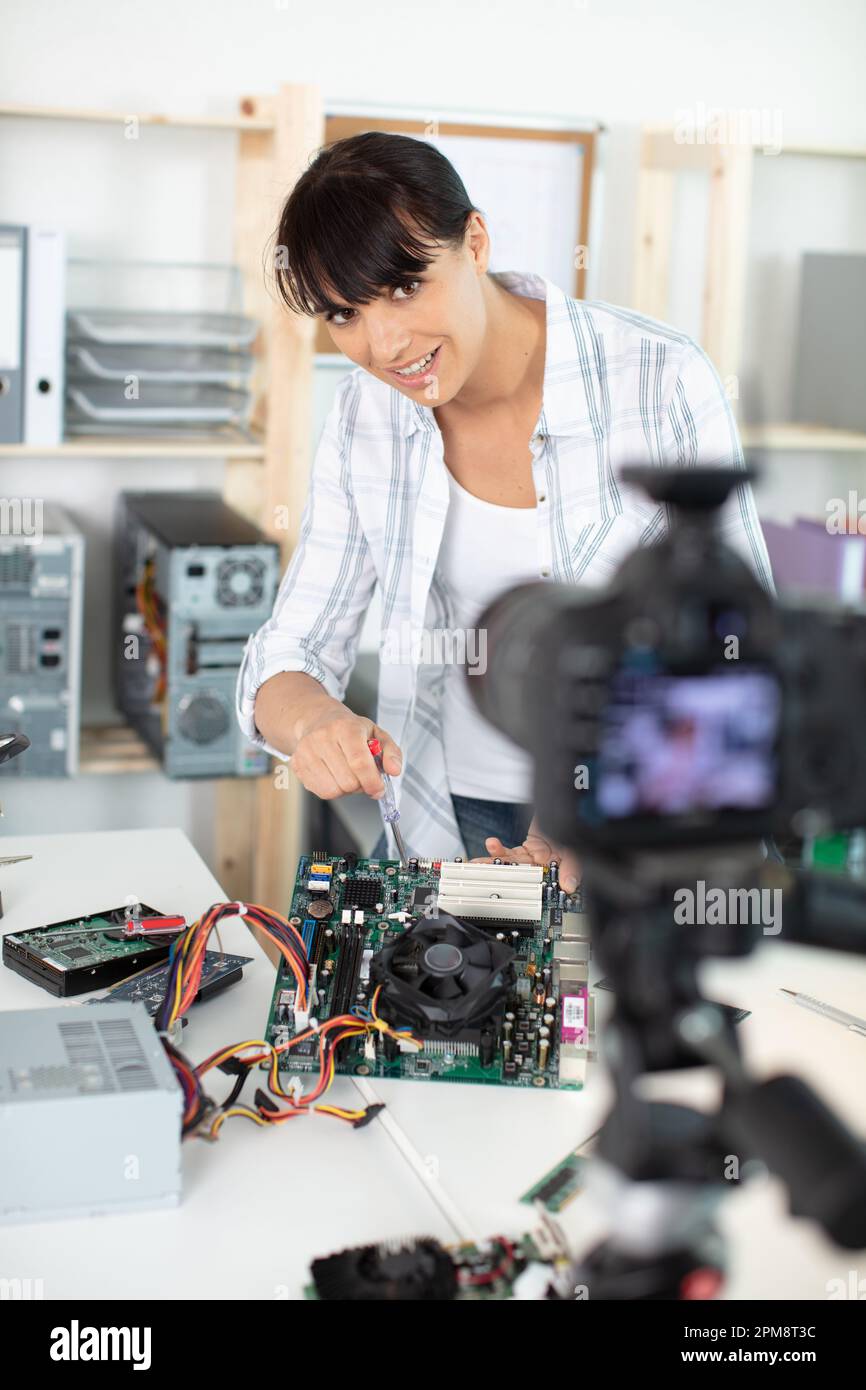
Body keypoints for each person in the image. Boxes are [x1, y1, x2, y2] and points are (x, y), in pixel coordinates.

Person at [236, 132, 772, 890]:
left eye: (404, 287)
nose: (385, 343)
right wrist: (315, 723)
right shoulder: (365, 415)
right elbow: (289, 650)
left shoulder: (659, 379)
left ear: (475, 242)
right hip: (460, 816)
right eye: (344, 313)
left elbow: (737, 652)